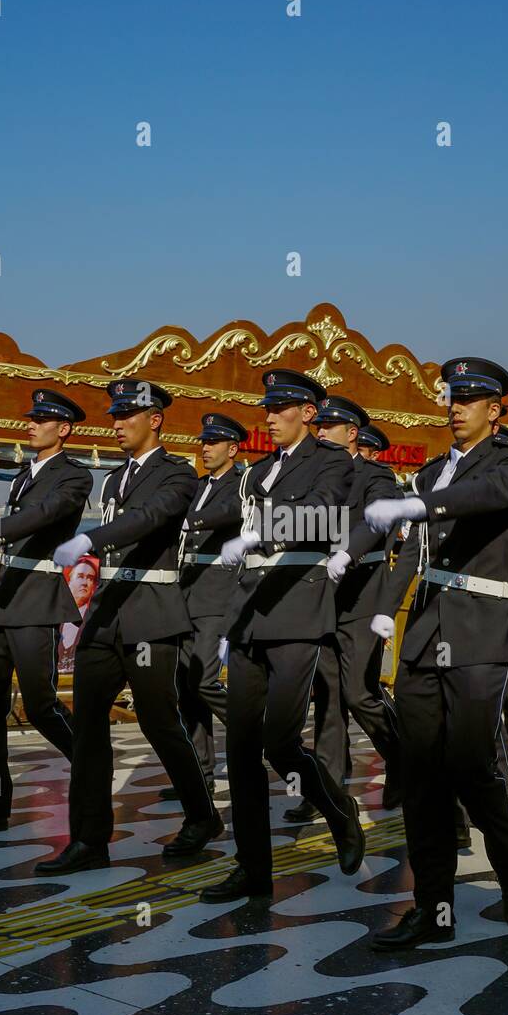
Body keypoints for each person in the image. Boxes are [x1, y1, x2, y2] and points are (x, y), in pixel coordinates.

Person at [363, 357, 508, 950]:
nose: (455, 406)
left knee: (469, 764)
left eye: (469, 399)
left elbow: (491, 494)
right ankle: (432, 907)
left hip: (483, 631)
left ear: (496, 409)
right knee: (420, 775)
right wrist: (387, 606)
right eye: (452, 397)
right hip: (426, 633)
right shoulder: (433, 471)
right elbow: (412, 549)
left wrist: (422, 504)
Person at [36, 379, 222, 875]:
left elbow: (149, 518)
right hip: (107, 614)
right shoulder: (113, 478)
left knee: (159, 722)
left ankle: (203, 817)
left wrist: (87, 540)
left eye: (125, 417)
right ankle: (89, 840)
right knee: (89, 726)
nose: (115, 425)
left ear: (154, 419)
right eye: (113, 417)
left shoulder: (177, 474)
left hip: (151, 616)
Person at [198, 369, 365, 903]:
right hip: (248, 618)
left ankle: (340, 812)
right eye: (266, 408)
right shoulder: (257, 471)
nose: (268, 417)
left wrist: (260, 530)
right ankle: (252, 868)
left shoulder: (332, 463)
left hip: (296, 617)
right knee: (243, 750)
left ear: (308, 414)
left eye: (281, 408)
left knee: (281, 745)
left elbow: (318, 517)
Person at [0, 389, 92, 840]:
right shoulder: (20, 476)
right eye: (30, 418)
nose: (29, 424)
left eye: (41, 419)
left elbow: (41, 515)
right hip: (0, 600)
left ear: (63, 429)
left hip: (35, 603)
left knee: (41, 705)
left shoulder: (74, 476)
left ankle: (91, 770)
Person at [291, 400, 404, 822]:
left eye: (330, 426)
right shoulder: (316, 475)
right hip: (323, 598)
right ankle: (327, 787)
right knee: (327, 695)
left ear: (352, 432)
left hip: (362, 595)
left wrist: (345, 552)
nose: (321, 431)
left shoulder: (377, 475)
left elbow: (375, 523)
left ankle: (402, 761)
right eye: (318, 425)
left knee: (360, 692)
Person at [177, 411, 248, 797]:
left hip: (218, 594)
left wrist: (192, 521)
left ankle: (252, 729)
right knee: (187, 687)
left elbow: (230, 513)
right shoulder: (200, 485)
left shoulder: (241, 484)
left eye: (213, 442)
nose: (204, 448)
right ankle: (199, 773)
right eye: (203, 442)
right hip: (187, 592)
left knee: (204, 680)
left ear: (232, 449)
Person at [57, 555, 98, 673]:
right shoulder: (55, 614)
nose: (85, 583)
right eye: (80, 576)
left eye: (90, 578)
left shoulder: (93, 620)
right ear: (68, 581)